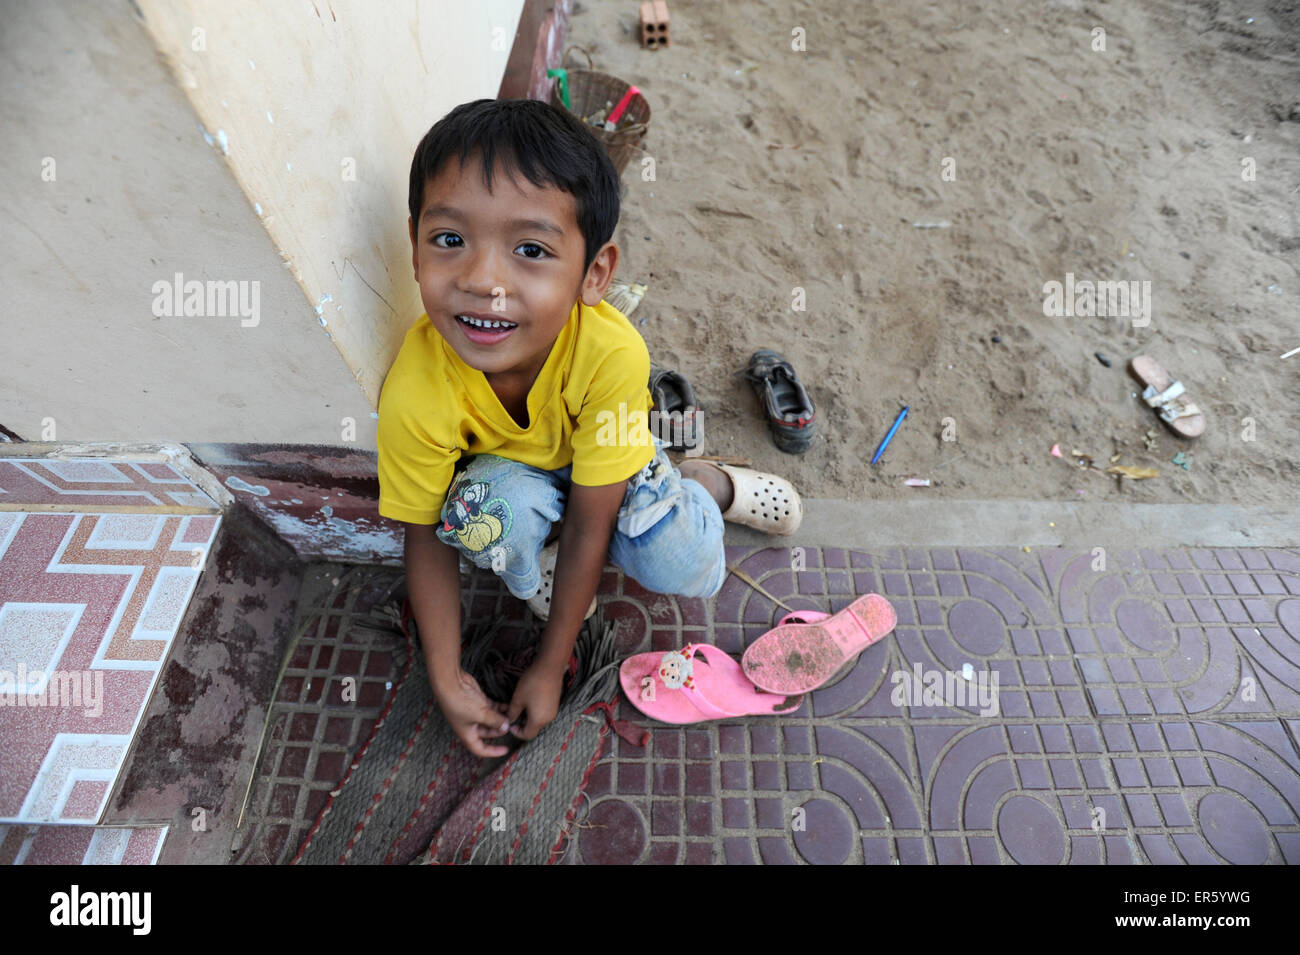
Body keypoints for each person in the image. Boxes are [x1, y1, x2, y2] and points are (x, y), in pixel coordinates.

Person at [378, 98, 801, 757]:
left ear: (594, 273)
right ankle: (538, 565)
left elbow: (590, 517)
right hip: (521, 475)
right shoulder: (413, 389)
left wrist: (553, 663)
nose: (484, 281)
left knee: (679, 562)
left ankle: (705, 483)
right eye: (450, 240)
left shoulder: (611, 352)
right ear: (414, 245)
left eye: (530, 249)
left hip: (609, 467)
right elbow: (423, 532)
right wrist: (445, 670)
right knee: (474, 515)